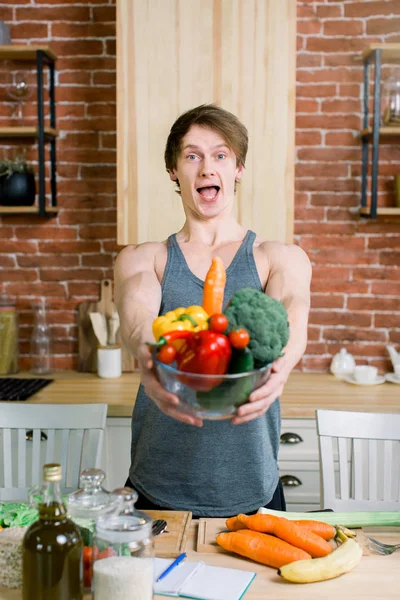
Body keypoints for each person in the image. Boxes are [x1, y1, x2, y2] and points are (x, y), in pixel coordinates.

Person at [114, 104, 311, 518]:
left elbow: (293, 311)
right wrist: (149, 355)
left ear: (238, 168)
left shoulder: (279, 257)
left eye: (220, 155)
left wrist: (284, 362)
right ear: (173, 170)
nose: (207, 168)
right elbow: (135, 314)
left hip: (253, 488)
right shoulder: (144, 258)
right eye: (192, 155)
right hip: (158, 485)